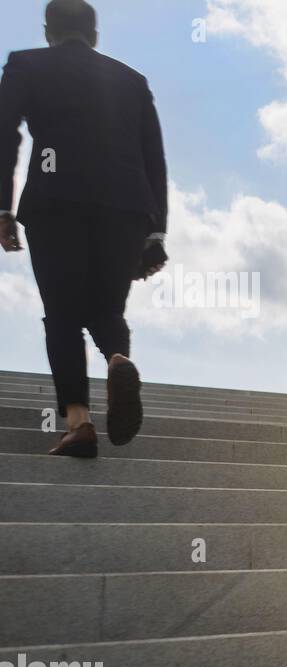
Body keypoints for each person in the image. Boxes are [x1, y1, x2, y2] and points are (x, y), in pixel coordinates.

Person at [0, 0, 168, 459]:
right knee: (106, 307)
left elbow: (6, 135)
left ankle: (79, 423)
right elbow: (154, 156)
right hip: (126, 206)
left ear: (48, 30)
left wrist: (3, 208)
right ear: (95, 35)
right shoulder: (132, 80)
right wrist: (156, 233)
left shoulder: (25, 64)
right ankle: (117, 358)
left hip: (56, 200)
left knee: (62, 313)